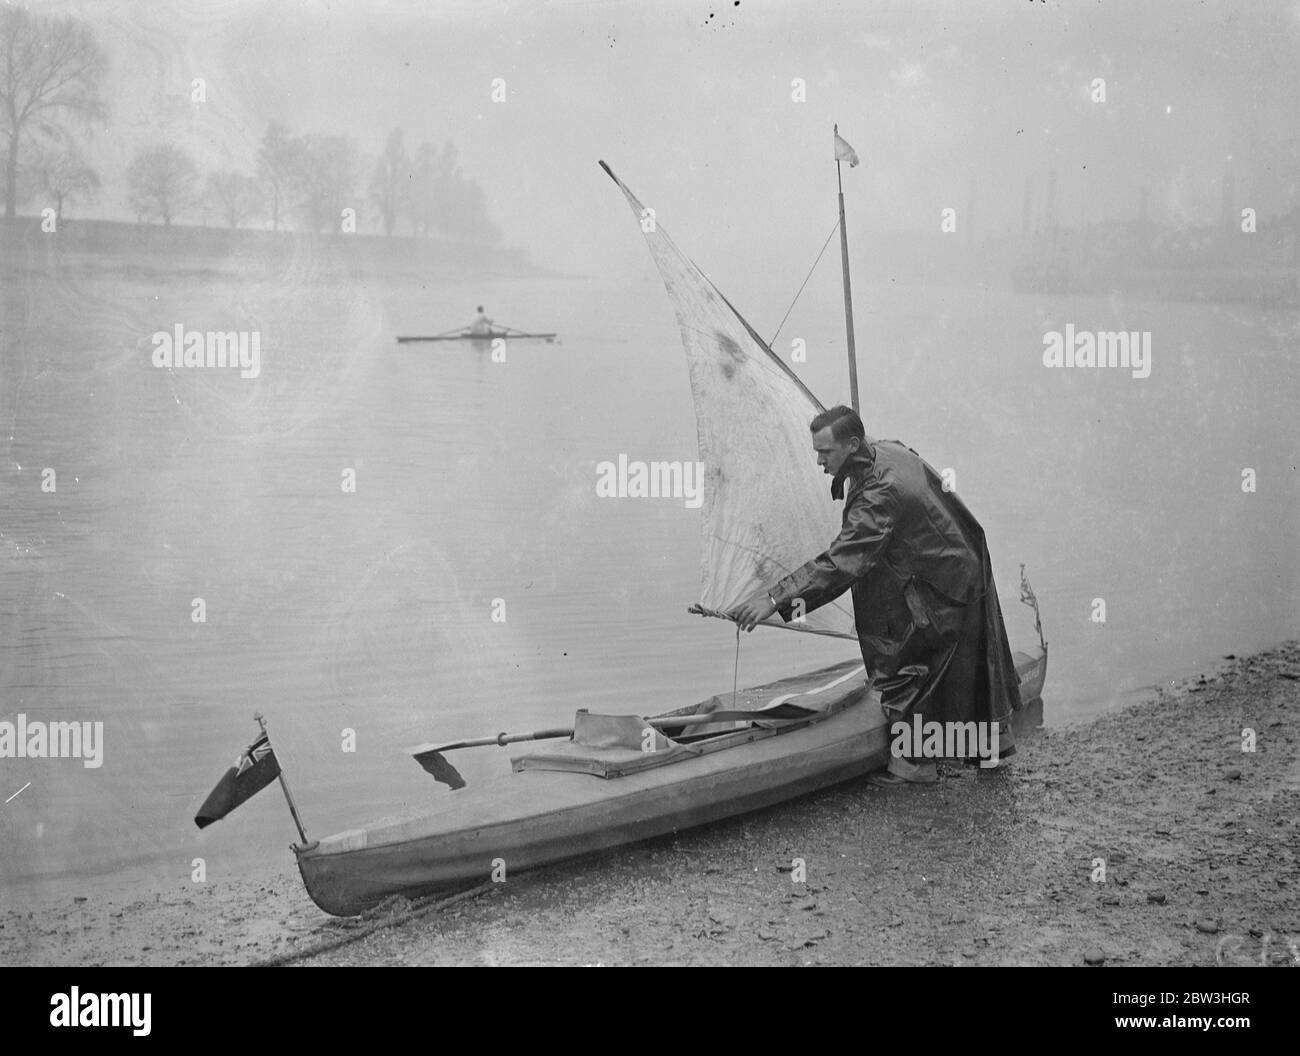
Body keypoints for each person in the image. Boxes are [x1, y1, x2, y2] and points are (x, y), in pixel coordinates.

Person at [730, 405, 1022, 785]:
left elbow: (841, 563)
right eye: (816, 451)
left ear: (852, 445)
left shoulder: (879, 494)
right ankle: (990, 749)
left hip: (945, 578)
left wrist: (773, 599)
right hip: (959, 558)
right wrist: (844, 477)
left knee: (912, 664)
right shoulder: (884, 449)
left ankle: (915, 768)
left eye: (825, 452)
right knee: (969, 662)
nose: (818, 461)